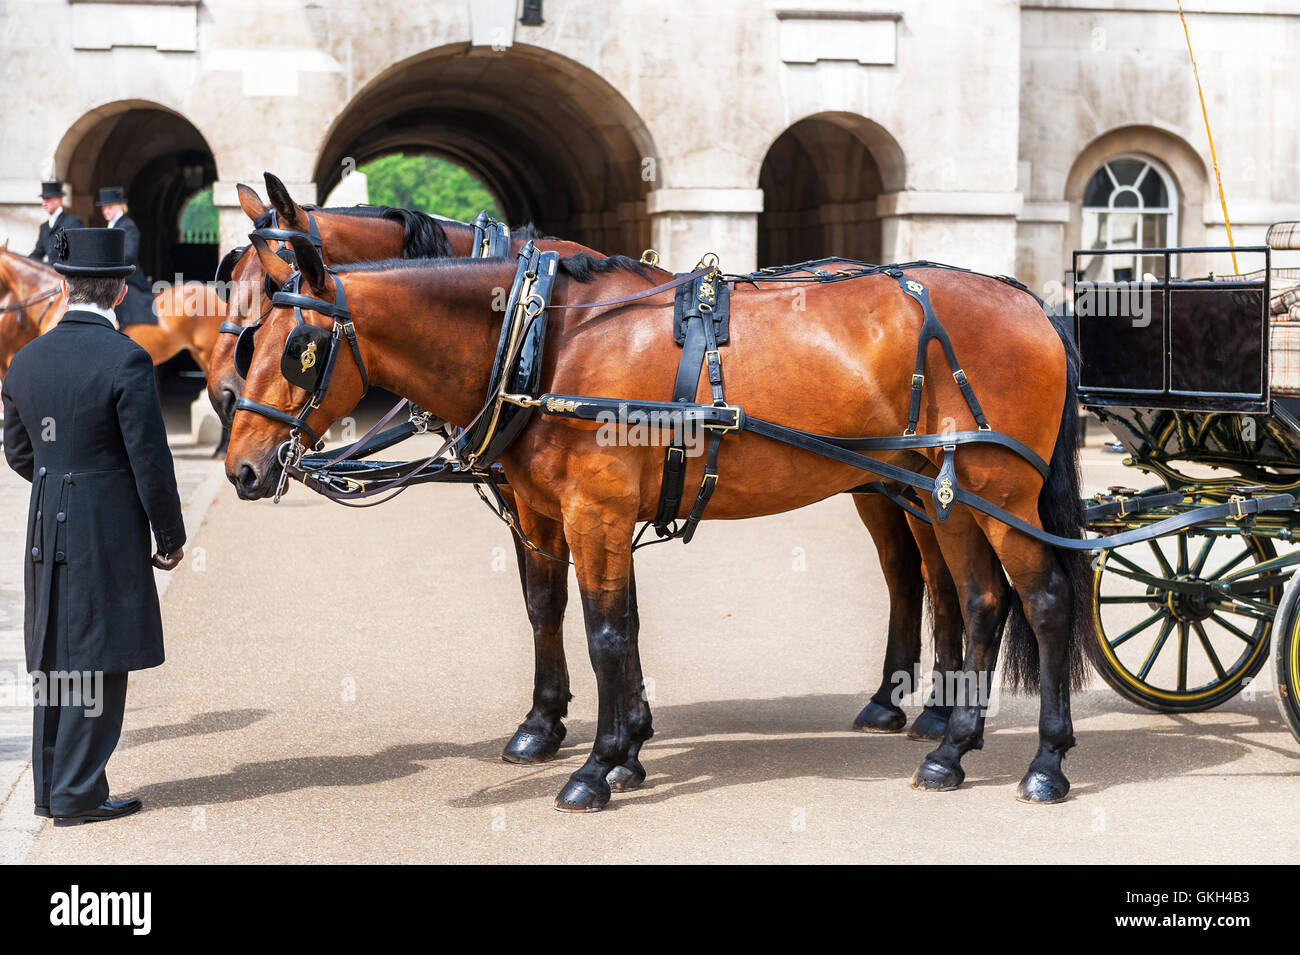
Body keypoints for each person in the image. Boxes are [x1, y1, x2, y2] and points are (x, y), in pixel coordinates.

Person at [2, 228, 185, 826]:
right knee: (100, 656)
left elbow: (18, 451)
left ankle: (53, 788)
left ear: (65, 284)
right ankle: (79, 794)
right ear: (117, 290)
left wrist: (60, 482)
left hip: (45, 521)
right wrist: (169, 534)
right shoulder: (125, 357)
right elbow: (149, 460)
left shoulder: (25, 359)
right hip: (103, 524)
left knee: (54, 657)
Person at [95, 187, 155, 326]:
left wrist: (105, 261)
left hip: (128, 277)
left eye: (109, 207)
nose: (106, 211)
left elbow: (128, 255)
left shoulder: (128, 226)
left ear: (120, 206)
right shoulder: (110, 226)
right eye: (104, 208)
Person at [28, 181, 83, 264]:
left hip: (66, 275)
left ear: (59, 200)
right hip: (49, 274)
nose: (44, 203)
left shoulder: (73, 222)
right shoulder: (44, 227)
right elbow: (37, 254)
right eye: (43, 199)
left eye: (48, 199)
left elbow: (76, 253)